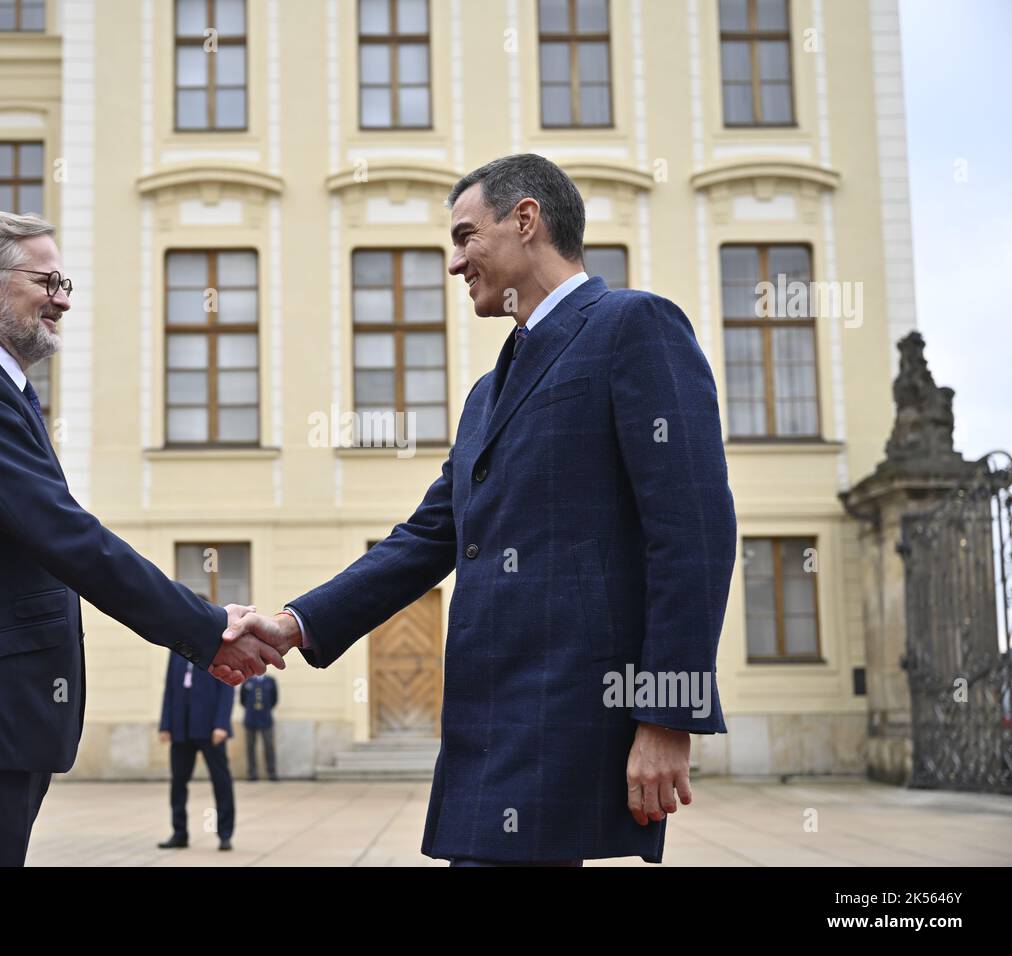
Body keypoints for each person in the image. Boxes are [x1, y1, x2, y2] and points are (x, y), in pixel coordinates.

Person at [220, 154, 736, 867]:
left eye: (466, 236)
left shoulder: (632, 325)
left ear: (526, 220)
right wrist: (294, 622)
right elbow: (425, 538)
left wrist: (666, 717)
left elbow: (694, 532)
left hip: (576, 713)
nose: (456, 262)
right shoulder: (486, 395)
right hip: (487, 720)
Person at [0, 211, 281, 866]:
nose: (64, 297)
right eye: (48, 280)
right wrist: (206, 628)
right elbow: (68, 538)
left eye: (65, 281)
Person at [158, 653, 236, 851]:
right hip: (181, 727)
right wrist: (165, 724)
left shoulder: (217, 648)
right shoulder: (176, 651)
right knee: (178, 782)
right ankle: (179, 833)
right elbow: (169, 687)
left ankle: (225, 833)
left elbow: (227, 687)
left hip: (210, 728)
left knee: (221, 781)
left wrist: (222, 724)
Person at [240, 673, 278, 781]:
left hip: (266, 718)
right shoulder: (247, 680)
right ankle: (252, 773)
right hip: (250, 718)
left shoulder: (270, 680)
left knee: (269, 746)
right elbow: (242, 700)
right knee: (250, 747)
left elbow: (274, 699)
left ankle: (272, 772)